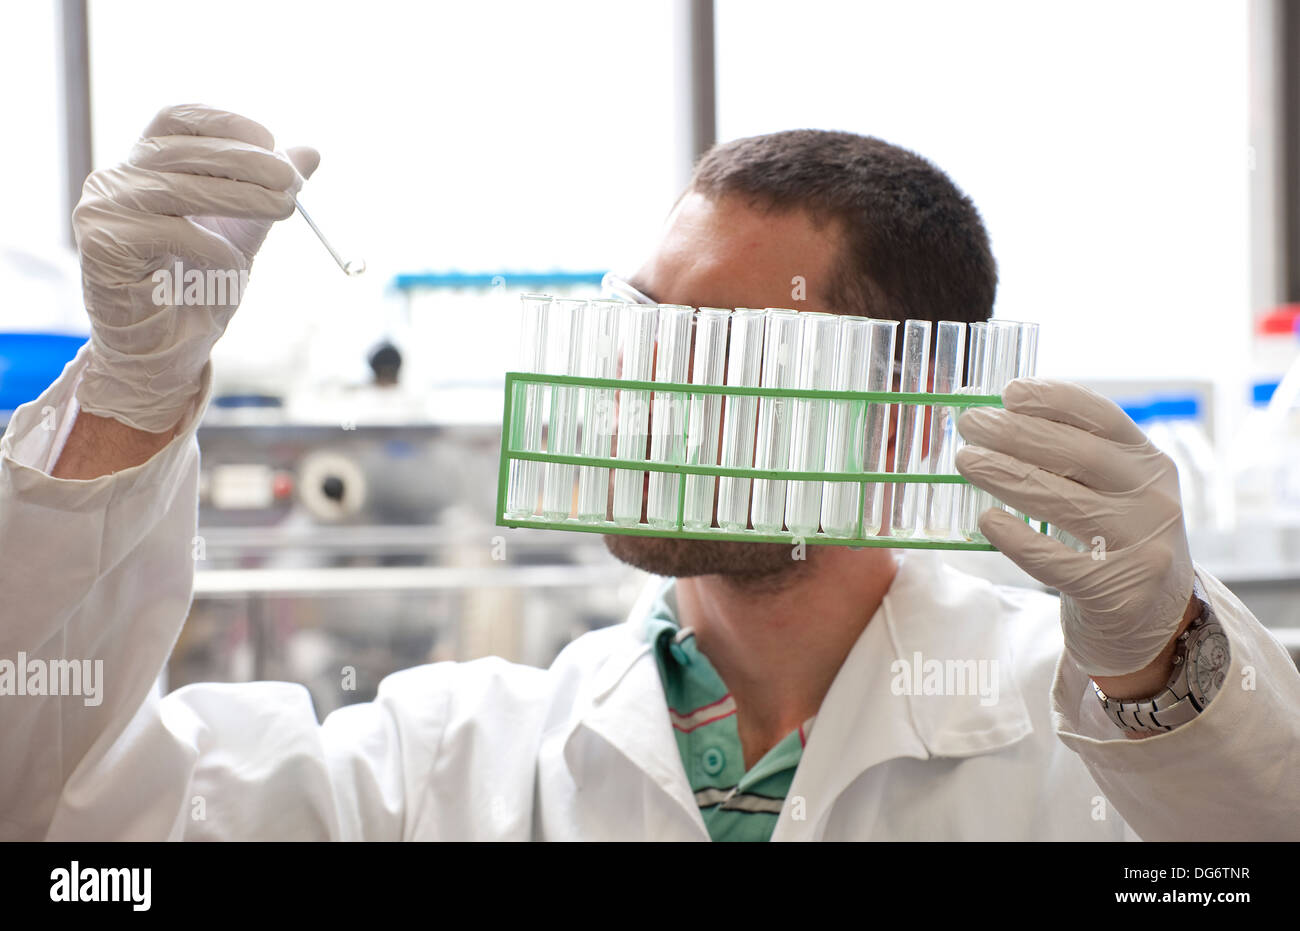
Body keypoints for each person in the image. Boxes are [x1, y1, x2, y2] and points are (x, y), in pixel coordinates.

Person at [1, 105, 1296, 841]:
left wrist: (1159, 662)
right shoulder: (452, 761)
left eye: (726, 351)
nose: (643, 398)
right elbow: (68, 827)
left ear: (902, 421)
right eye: (640, 325)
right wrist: (129, 398)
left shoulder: (1084, 745)